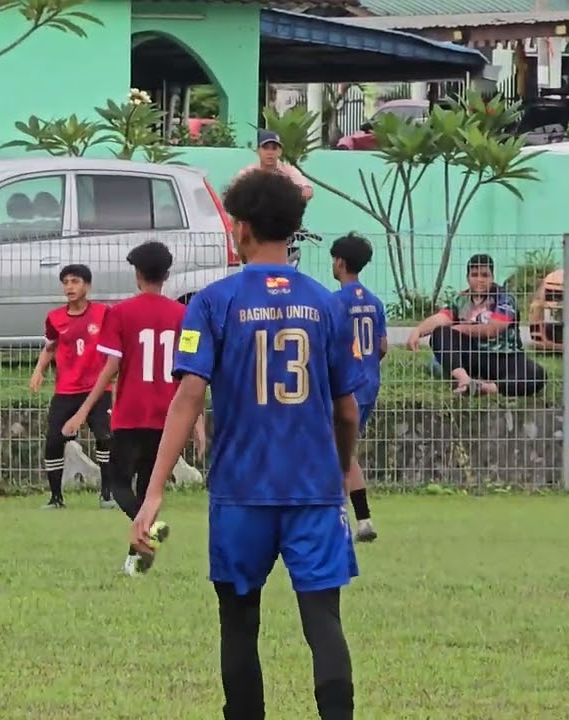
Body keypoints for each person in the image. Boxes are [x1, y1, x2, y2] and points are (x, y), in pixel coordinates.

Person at [132, 170, 363, 720]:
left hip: (240, 491)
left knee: (238, 622)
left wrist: (155, 491)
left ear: (242, 228)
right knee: (323, 621)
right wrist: (338, 465)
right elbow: (347, 410)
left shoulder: (215, 302)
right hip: (312, 492)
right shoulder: (326, 304)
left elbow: (188, 397)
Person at [62, 241, 205, 575]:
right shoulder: (184, 316)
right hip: (169, 417)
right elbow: (192, 374)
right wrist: (197, 422)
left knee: (118, 485)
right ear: (166, 276)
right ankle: (135, 560)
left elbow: (111, 368)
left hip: (130, 415)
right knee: (149, 487)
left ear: (137, 275)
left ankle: (149, 530)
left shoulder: (120, 313)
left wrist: (82, 411)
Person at [30, 264, 115, 510]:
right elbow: (50, 347)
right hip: (66, 390)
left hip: (98, 388)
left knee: (105, 437)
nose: (69, 287)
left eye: (75, 281)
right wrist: (38, 370)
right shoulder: (55, 318)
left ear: (87, 286)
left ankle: (107, 494)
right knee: (54, 441)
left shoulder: (103, 313)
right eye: (65, 282)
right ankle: (56, 498)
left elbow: (116, 347)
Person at [406, 254, 545, 397]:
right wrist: (418, 331)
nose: (480, 279)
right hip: (472, 355)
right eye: (474, 275)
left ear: (492, 277)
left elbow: (492, 330)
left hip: (504, 357)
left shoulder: (504, 299)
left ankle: (485, 388)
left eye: (485, 275)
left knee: (536, 374)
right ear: (467, 278)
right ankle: (463, 379)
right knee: (440, 333)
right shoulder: (461, 299)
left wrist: (458, 328)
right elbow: (442, 317)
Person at [330, 234, 387, 543]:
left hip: (344, 386)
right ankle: (363, 521)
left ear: (339, 262)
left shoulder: (335, 301)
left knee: (333, 453)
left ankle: (337, 520)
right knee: (345, 450)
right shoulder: (375, 302)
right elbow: (382, 346)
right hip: (369, 385)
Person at [238, 130, 314, 202]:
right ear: (258, 151)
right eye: (265, 148)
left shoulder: (289, 171)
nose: (270, 153)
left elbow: (307, 190)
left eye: (274, 148)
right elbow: (234, 191)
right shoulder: (249, 172)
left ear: (280, 152)